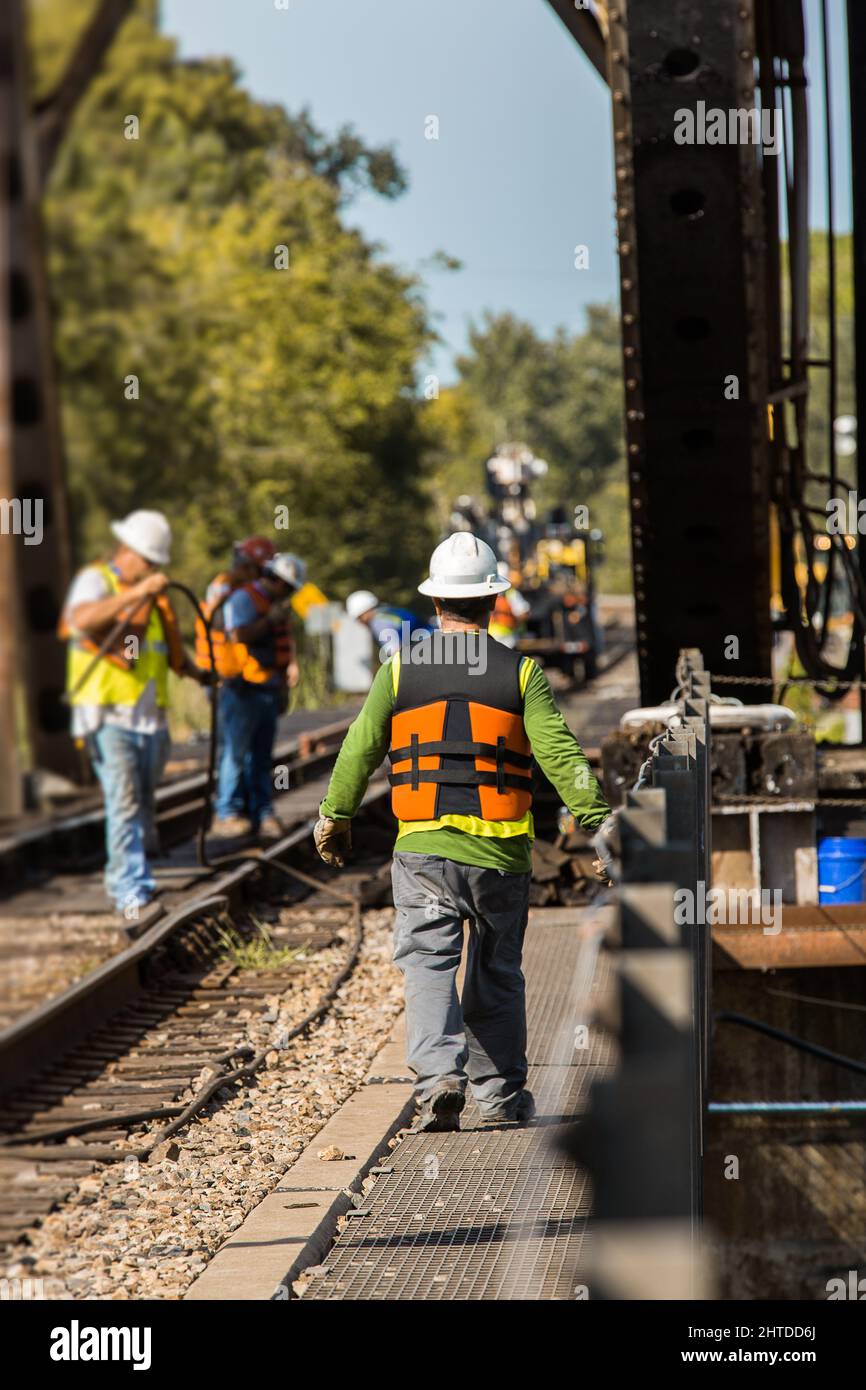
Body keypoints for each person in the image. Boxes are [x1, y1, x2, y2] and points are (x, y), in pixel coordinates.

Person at [315, 532, 611, 1132]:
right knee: (497, 971)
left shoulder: (399, 672)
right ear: (494, 602)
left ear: (435, 603)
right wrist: (600, 823)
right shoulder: (521, 673)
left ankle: (439, 1083)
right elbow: (561, 756)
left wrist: (336, 816)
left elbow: (359, 750)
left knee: (427, 964)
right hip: (500, 854)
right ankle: (500, 1100)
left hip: (423, 850)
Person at [59, 509, 209, 915]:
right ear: (127, 551)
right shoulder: (96, 581)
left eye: (156, 564)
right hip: (108, 717)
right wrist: (136, 594)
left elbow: (164, 653)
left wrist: (200, 674)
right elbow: (81, 619)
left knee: (141, 802)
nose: (152, 569)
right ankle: (129, 888)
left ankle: (137, 870)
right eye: (148, 561)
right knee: (123, 802)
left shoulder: (153, 601)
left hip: (151, 720)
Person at [211, 552, 304, 839]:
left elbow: (282, 641)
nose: (288, 594)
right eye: (287, 587)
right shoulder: (244, 599)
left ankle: (260, 812)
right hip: (242, 689)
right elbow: (238, 635)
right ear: (275, 579)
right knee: (236, 755)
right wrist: (268, 620)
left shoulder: (273, 603)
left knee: (261, 757)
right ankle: (227, 813)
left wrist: (285, 680)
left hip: (267, 688)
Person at [195, 536, 276, 677]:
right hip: (223, 670)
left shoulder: (251, 590)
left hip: (244, 671)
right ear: (247, 567)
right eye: (261, 570)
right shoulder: (223, 585)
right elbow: (219, 623)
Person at [345, 590, 433, 662]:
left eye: (359, 618)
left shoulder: (378, 623)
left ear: (364, 612)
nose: (359, 622)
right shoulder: (387, 610)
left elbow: (396, 653)